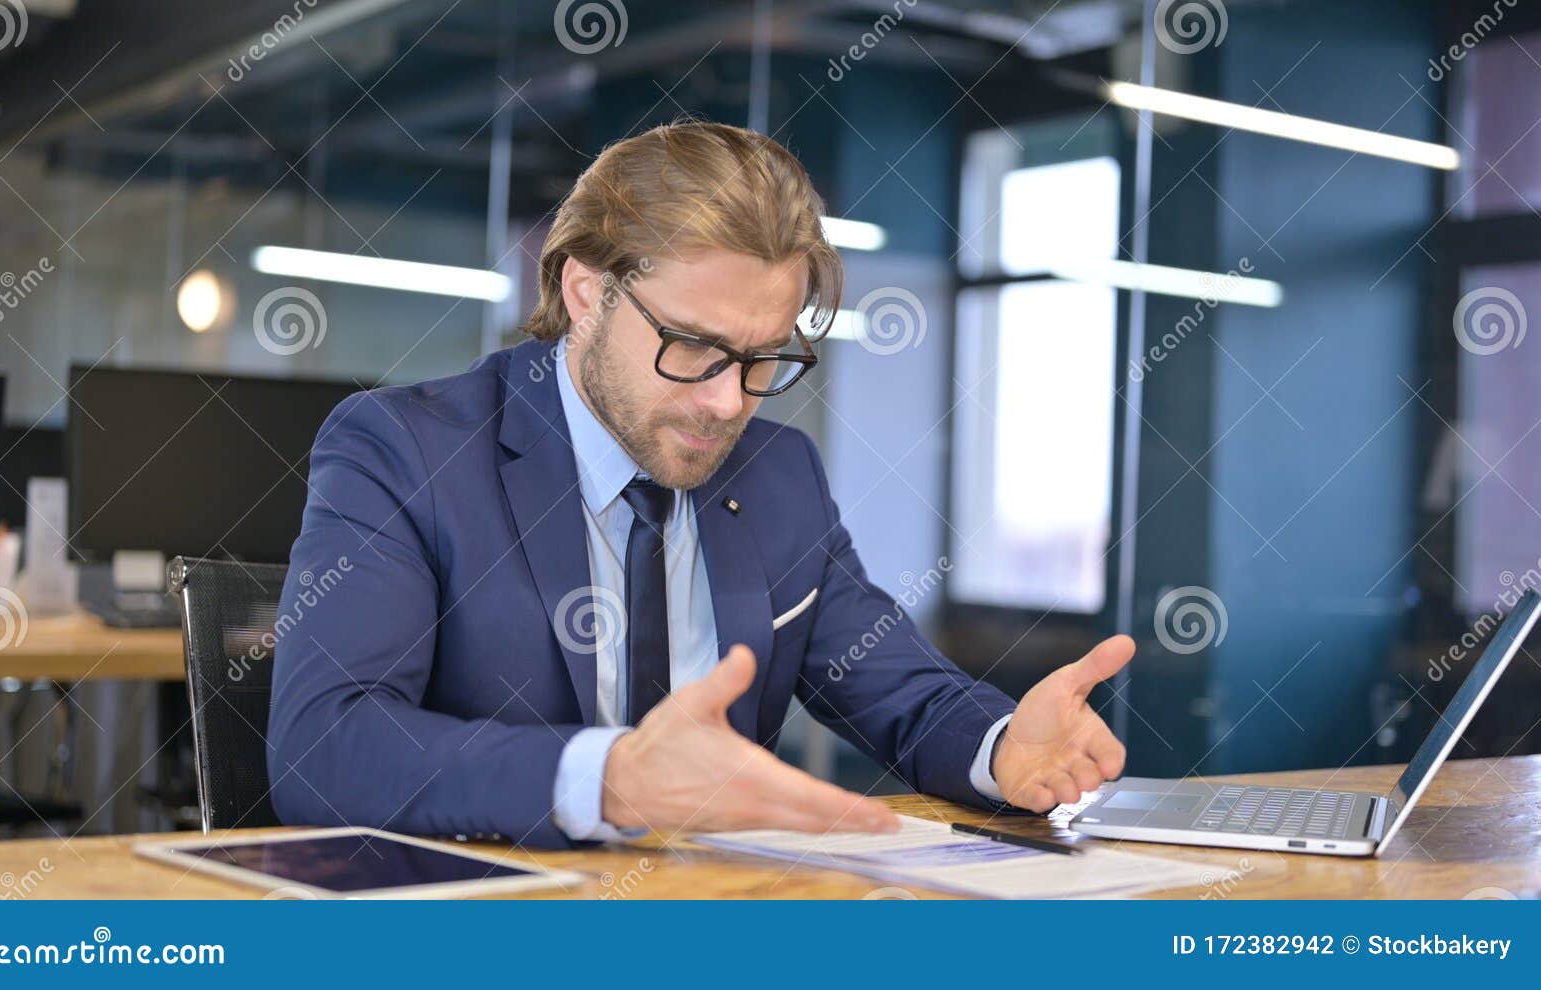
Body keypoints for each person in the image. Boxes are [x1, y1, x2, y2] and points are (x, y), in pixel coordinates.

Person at [266, 120, 1133, 848]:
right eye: (692, 347)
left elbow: (899, 691)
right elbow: (328, 748)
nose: (727, 403)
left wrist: (1001, 744)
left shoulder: (778, 477)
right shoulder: (407, 450)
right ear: (584, 293)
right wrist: (607, 781)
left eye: (763, 359)